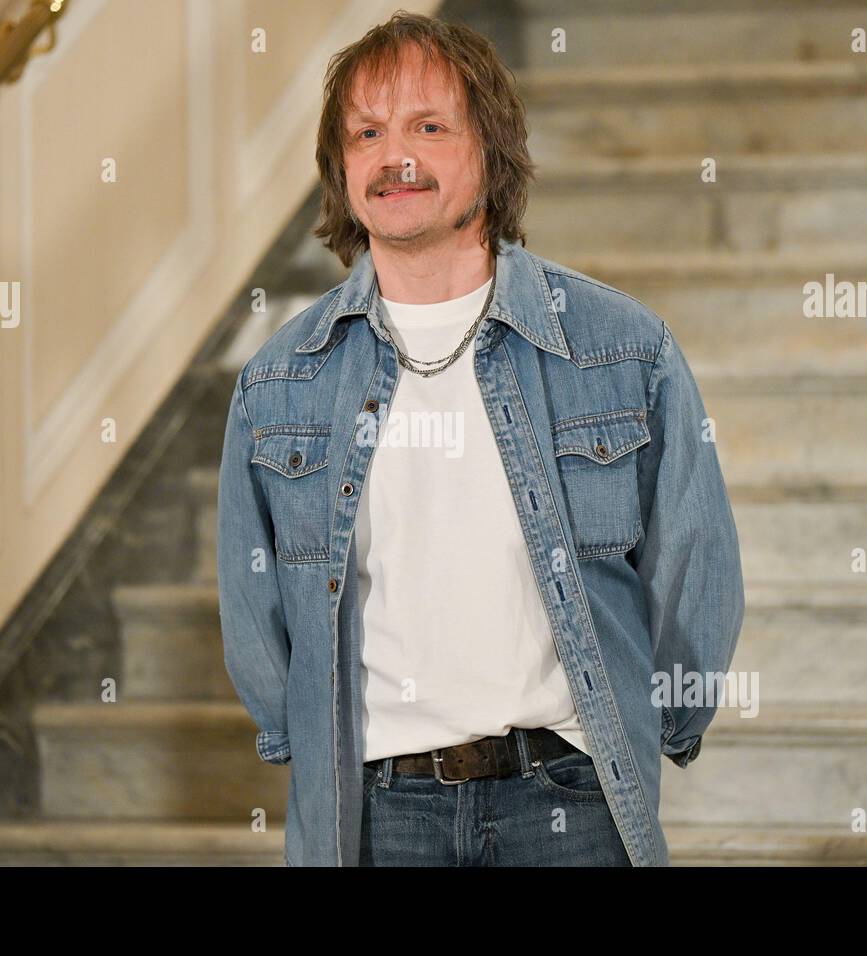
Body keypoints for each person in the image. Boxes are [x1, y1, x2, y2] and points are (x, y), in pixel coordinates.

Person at [216, 11, 744, 867]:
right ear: (341, 167)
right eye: (368, 132)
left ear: (490, 152)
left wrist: (658, 720)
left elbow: (694, 565)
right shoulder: (281, 380)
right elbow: (255, 608)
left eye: (429, 125)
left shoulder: (620, 347)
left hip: (569, 800)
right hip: (374, 816)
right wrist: (296, 738)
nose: (397, 156)